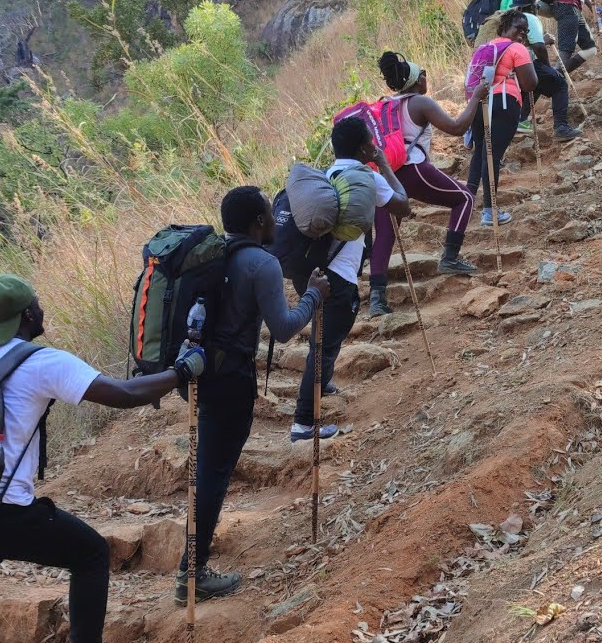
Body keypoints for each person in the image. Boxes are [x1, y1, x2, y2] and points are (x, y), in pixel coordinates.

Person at [0, 273, 208, 643]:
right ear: (26, 315)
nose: (41, 309)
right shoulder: (41, 362)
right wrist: (180, 371)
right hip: (3, 513)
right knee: (91, 555)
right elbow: (126, 394)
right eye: (36, 303)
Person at [180, 186, 329, 602]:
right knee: (212, 475)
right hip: (231, 380)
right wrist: (314, 295)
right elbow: (283, 328)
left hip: (202, 372)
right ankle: (192, 573)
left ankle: (192, 568)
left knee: (209, 470)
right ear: (259, 221)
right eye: (268, 210)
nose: (274, 218)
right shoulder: (262, 264)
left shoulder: (213, 256)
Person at [292, 118, 410, 424]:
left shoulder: (324, 176)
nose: (374, 144)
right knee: (325, 344)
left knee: (324, 337)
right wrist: (384, 164)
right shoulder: (366, 177)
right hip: (338, 277)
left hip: (310, 271)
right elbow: (403, 205)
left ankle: (321, 384)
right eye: (370, 141)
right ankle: (304, 421)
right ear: (363, 148)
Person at [365, 53, 490, 317]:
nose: (426, 78)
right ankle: (450, 257)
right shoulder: (419, 102)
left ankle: (377, 299)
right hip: (413, 170)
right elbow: (457, 127)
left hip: (385, 175)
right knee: (465, 197)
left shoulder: (385, 105)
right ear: (415, 80)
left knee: (385, 234)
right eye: (423, 74)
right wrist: (477, 97)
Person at [467, 10, 538, 228]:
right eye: (519, 28)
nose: (522, 33)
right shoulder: (517, 49)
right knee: (492, 156)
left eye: (525, 31)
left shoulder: (485, 48)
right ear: (504, 27)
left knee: (480, 152)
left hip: (479, 103)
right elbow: (530, 83)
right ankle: (490, 211)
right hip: (504, 103)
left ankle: (466, 203)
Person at [499, 0, 580, 142]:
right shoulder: (530, 18)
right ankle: (561, 127)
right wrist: (548, 68)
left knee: (535, 84)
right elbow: (539, 47)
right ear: (532, 7)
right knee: (559, 84)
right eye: (536, 6)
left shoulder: (508, 20)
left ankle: (520, 119)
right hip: (524, 62)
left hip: (508, 67)